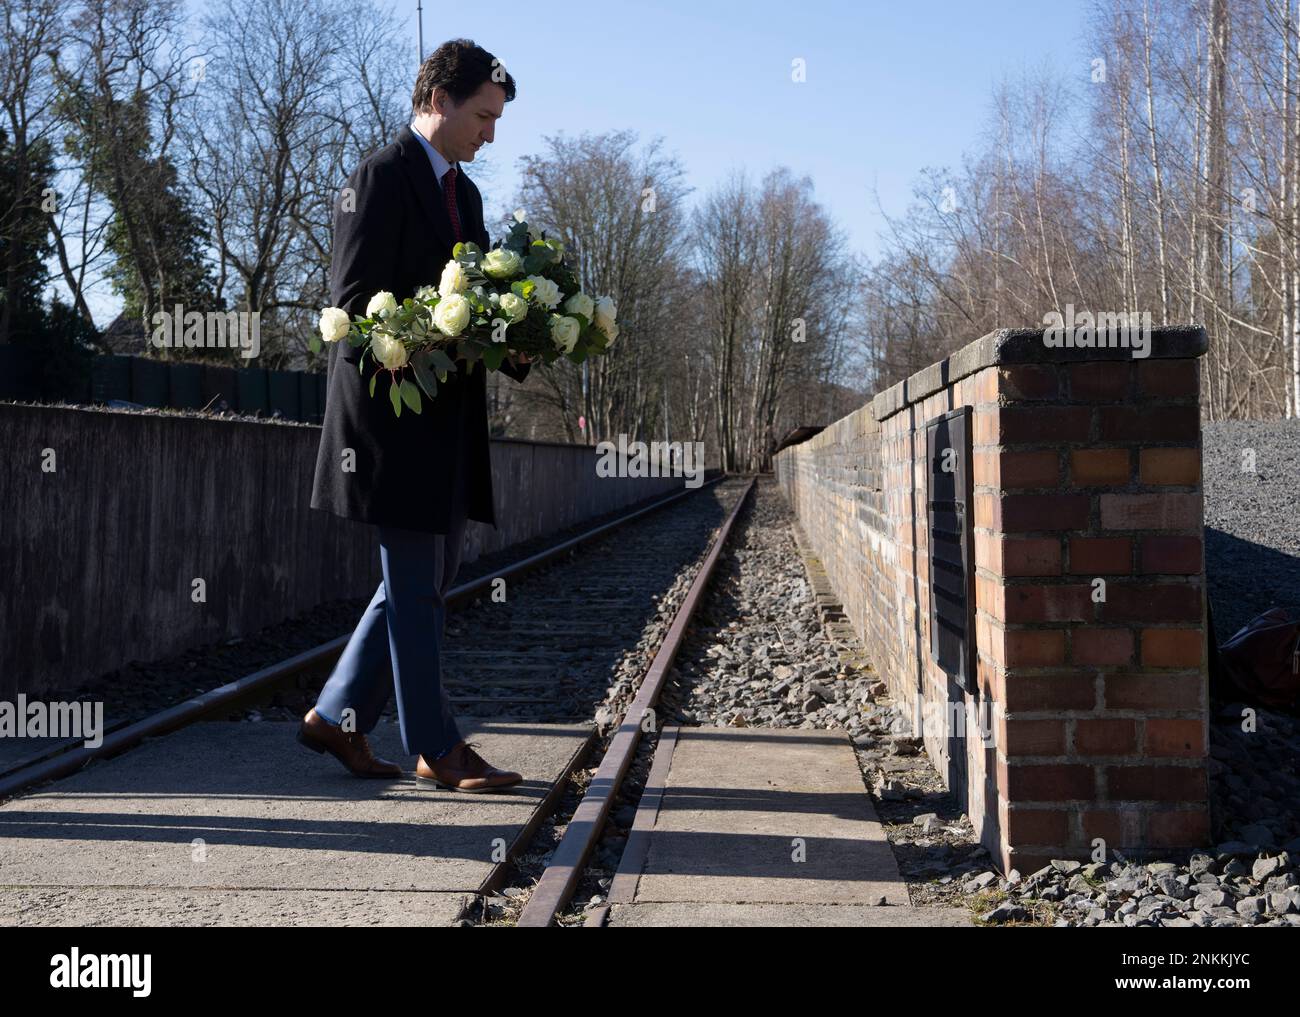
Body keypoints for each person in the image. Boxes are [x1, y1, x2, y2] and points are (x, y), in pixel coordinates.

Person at [300, 39, 528, 792]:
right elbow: (352, 305)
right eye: (482, 117)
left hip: (448, 425)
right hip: (388, 429)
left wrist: (518, 336)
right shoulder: (378, 177)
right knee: (417, 588)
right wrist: (429, 333)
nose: (488, 135)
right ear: (438, 99)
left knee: (424, 580)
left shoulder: (468, 197)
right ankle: (438, 745)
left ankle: (338, 716)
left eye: (495, 121)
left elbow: (483, 309)